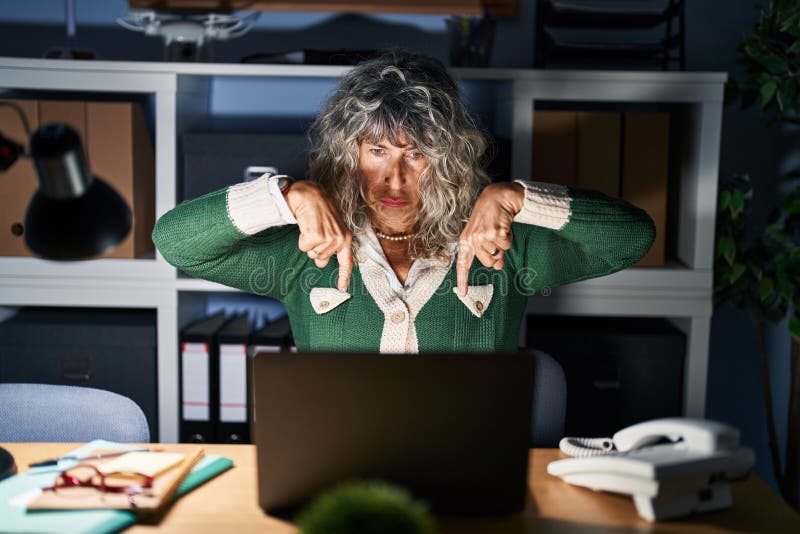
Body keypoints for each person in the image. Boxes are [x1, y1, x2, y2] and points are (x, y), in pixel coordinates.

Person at [152, 49, 655, 353]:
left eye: (417, 154)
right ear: (348, 153)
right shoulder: (302, 251)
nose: (394, 178)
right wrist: (288, 194)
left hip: (469, 482)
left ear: (449, 158)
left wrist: (517, 197)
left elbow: (632, 238)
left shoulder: (502, 247)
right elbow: (176, 242)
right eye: (376, 151)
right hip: (338, 480)